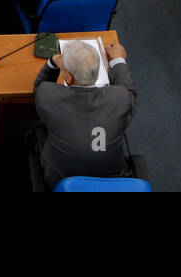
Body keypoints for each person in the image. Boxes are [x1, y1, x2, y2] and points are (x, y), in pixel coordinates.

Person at [33, 40, 136, 189]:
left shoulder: (48, 96)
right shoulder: (121, 99)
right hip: (114, 182)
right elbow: (129, 91)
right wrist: (118, 60)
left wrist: (52, 63)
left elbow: (38, 88)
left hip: (64, 183)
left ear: (68, 77)